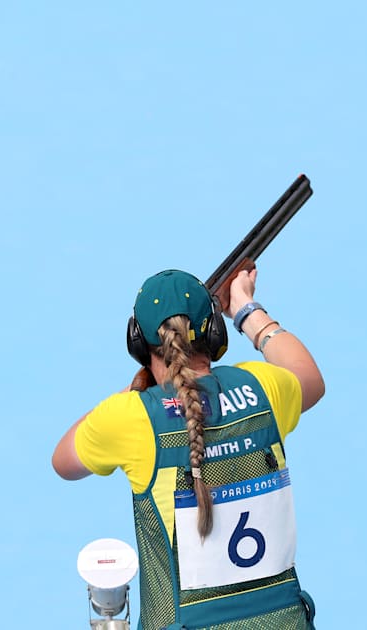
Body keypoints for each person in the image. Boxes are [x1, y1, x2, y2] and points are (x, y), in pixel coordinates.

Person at [53, 268, 325, 630]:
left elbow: (64, 460)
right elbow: (309, 378)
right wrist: (245, 307)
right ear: (214, 332)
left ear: (137, 342)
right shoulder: (264, 388)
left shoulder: (131, 417)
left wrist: (135, 391)